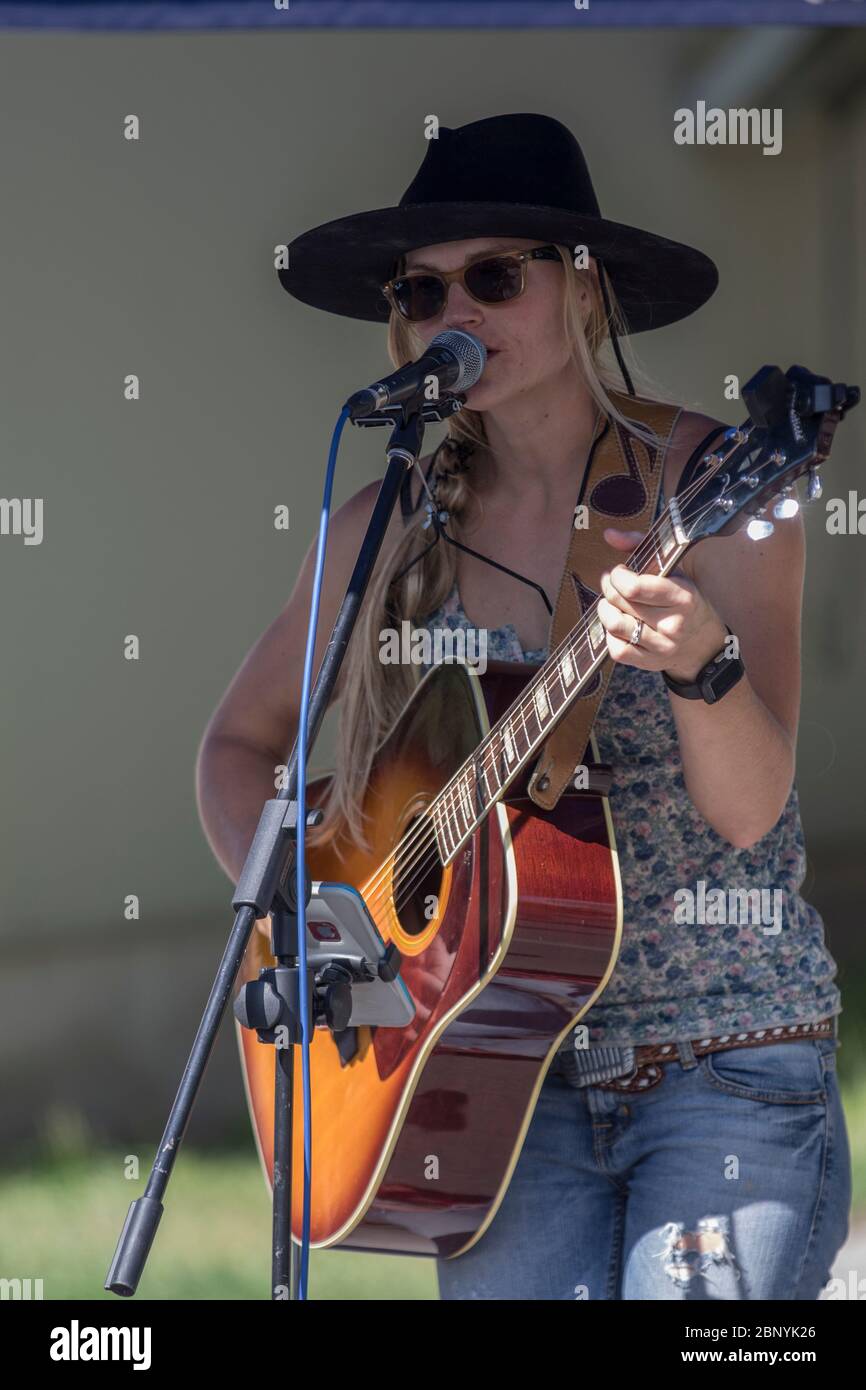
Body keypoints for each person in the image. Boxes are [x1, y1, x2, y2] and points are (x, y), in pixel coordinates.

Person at [196, 114, 852, 1300]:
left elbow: (751, 819)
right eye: (423, 287)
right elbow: (239, 748)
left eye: (493, 277)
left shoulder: (705, 489)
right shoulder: (388, 524)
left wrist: (700, 665)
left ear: (584, 290)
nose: (456, 314)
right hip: (494, 1077)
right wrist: (318, 911)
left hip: (724, 1064)